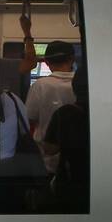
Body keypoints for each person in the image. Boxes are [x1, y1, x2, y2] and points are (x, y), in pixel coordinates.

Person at [24, 40, 78, 173]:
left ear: (47, 63)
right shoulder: (82, 85)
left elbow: (29, 119)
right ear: (72, 59)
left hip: (46, 161)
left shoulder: (40, 85)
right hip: (80, 159)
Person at [42, 66, 89, 213]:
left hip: (70, 180)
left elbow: (50, 149)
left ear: (74, 88)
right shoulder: (111, 112)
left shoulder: (65, 113)